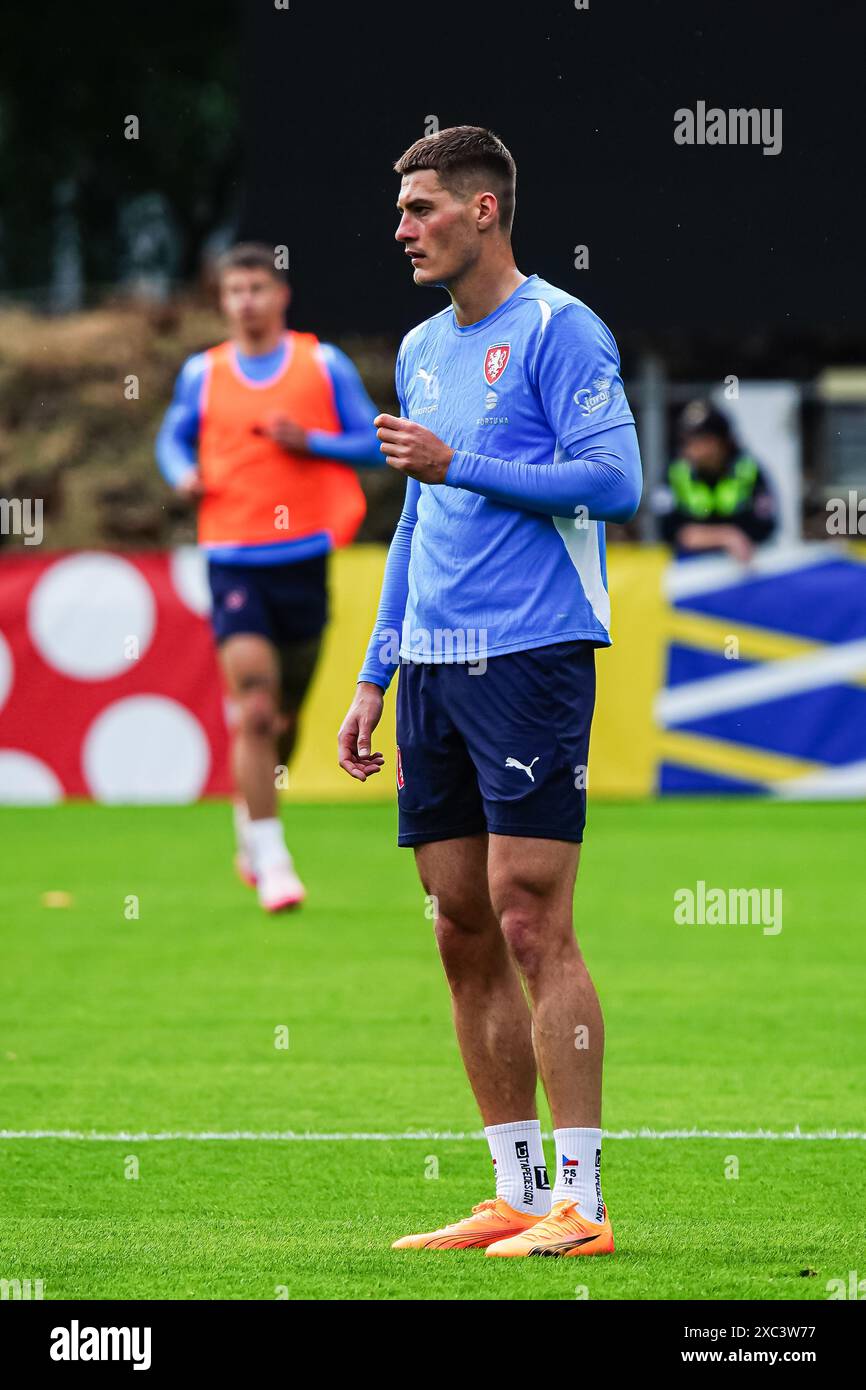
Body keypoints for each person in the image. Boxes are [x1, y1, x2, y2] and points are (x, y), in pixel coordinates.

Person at [338, 127, 642, 1256]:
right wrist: (376, 668)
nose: (402, 229)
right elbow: (418, 518)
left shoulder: (561, 331)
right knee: (459, 924)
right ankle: (515, 1189)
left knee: (527, 914)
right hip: (432, 666)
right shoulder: (421, 347)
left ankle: (585, 1204)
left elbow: (614, 479)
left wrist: (457, 463)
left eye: (420, 208)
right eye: (402, 210)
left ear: (482, 210)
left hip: (530, 654)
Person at [157, 243, 382, 912]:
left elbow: (373, 441)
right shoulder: (203, 372)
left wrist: (309, 442)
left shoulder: (321, 363)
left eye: (257, 287)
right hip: (233, 557)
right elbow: (172, 438)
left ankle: (250, 816)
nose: (246, 301)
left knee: (284, 717)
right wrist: (182, 474)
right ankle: (276, 859)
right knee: (253, 706)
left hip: (305, 557)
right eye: (234, 291)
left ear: (281, 294)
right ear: (222, 301)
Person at [657, 399, 777, 559]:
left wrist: (701, 536)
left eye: (700, 441)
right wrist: (726, 536)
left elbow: (765, 526)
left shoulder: (748, 469)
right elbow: (667, 530)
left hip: (742, 570)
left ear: (721, 442)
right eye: (687, 441)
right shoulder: (675, 472)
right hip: (687, 570)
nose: (690, 449)